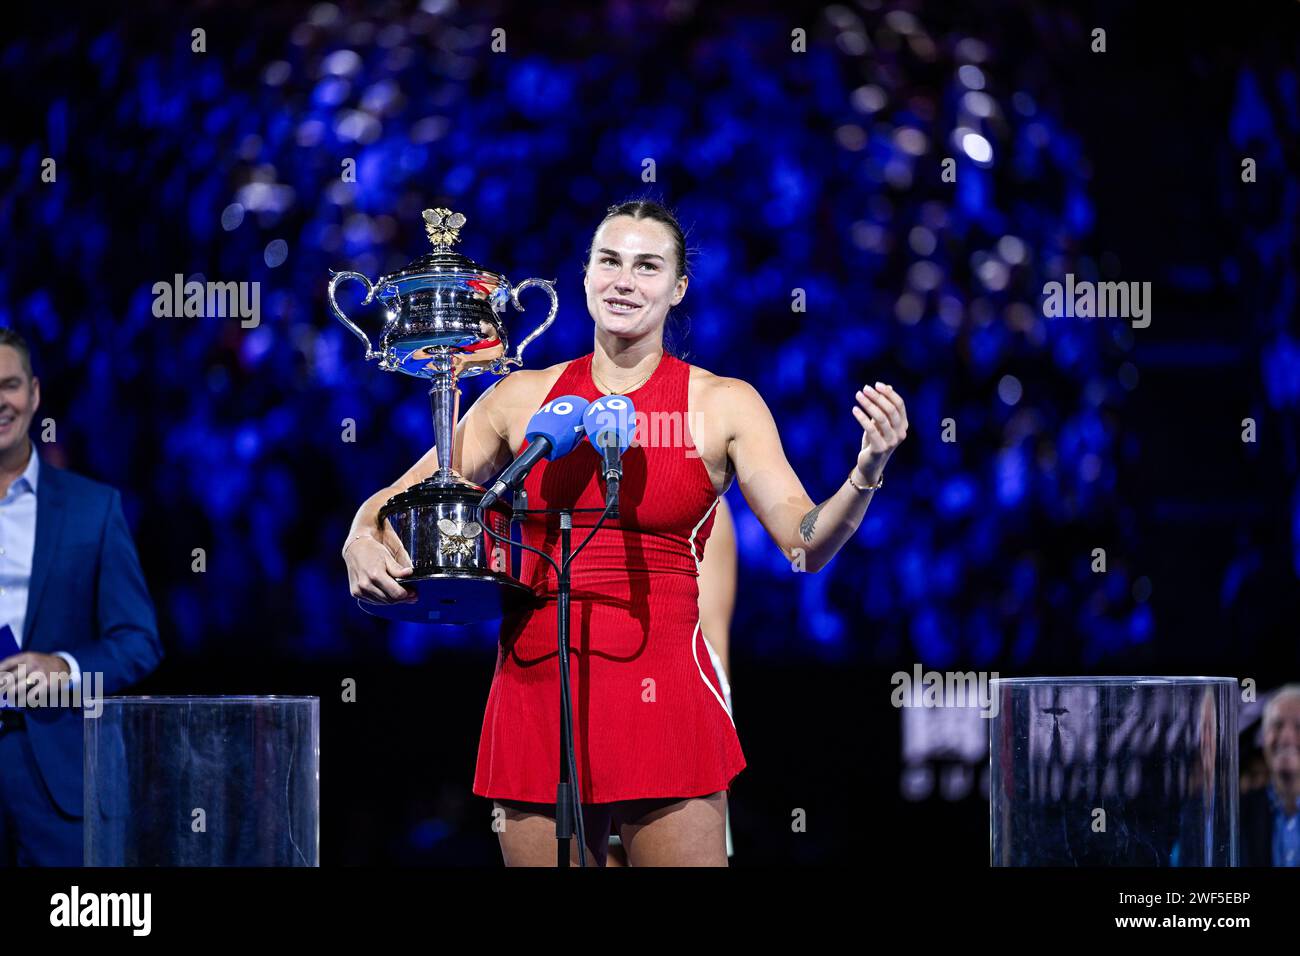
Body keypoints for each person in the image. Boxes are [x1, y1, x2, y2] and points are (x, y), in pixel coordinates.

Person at [343, 199, 908, 866]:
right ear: (583, 276)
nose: (624, 281)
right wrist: (358, 532)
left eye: (647, 266)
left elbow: (805, 542)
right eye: (609, 261)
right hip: (535, 690)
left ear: (678, 288)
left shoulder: (723, 403)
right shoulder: (519, 397)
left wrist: (866, 470)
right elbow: (400, 497)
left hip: (664, 698)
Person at [0, 327, 162, 866]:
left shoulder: (95, 508)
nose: (1, 402)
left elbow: (139, 642)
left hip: (63, 782)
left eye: (11, 385)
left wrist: (65, 669)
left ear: (35, 394)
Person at [606, 494, 736, 866]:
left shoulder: (704, 503)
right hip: (586, 715)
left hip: (669, 730)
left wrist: (717, 749)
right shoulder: (560, 492)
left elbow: (710, 637)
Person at [1241, 684, 1300, 866]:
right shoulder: (1236, 814)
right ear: (1264, 737)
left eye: (1299, 726)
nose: (1286, 737)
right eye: (1277, 725)